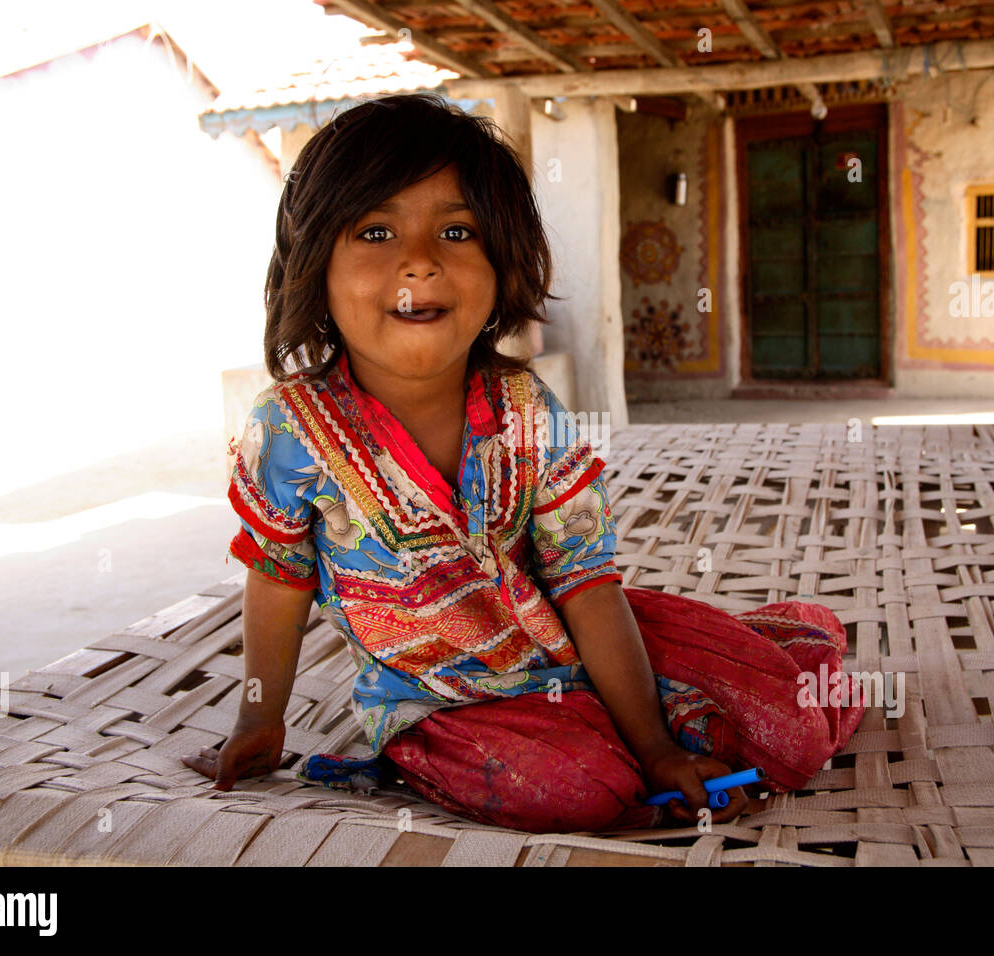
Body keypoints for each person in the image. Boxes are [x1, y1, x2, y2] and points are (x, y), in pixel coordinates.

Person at [182, 92, 864, 834]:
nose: (419, 260)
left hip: (581, 641)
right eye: (375, 230)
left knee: (791, 729)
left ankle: (731, 671)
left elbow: (585, 585)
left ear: (502, 265)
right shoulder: (289, 430)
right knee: (572, 790)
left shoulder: (527, 410)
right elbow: (278, 578)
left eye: (456, 230)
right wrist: (258, 720)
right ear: (315, 266)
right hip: (443, 699)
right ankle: (628, 732)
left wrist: (657, 746)